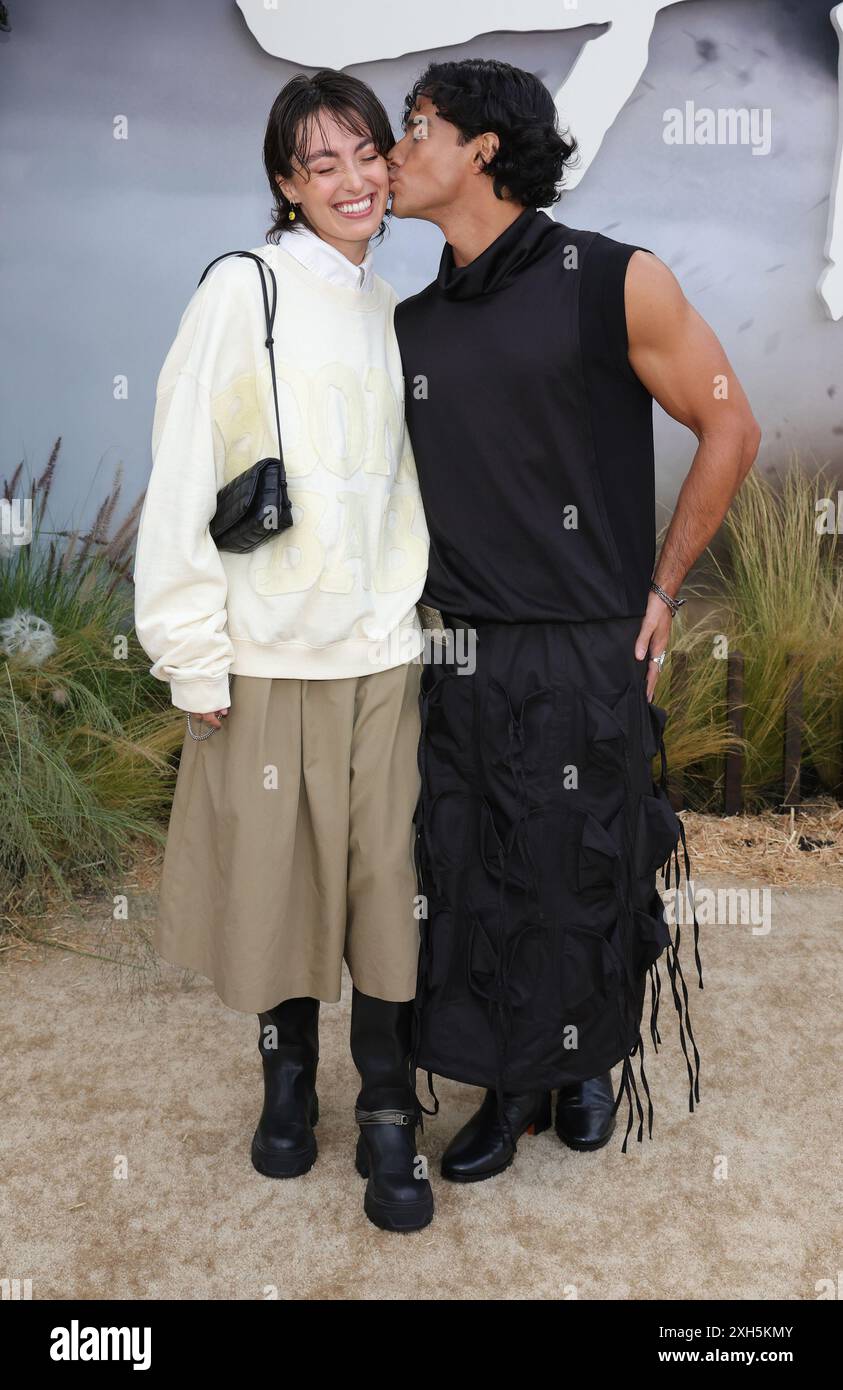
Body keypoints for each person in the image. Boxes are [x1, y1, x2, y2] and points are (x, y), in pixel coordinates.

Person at [387, 58, 761, 1178]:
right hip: (461, 642)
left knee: (585, 863)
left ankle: (584, 1063)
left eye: (416, 129)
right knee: (475, 867)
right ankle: (507, 1086)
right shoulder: (411, 323)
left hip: (584, 640)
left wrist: (659, 589)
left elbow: (728, 424)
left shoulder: (612, 280)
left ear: (485, 148)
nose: (395, 153)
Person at [132, 70, 433, 1232]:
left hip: (384, 655)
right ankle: (290, 1086)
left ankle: (392, 1109)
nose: (356, 180)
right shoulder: (240, 290)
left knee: (386, 887)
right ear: (284, 184)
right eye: (324, 163)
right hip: (267, 654)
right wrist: (192, 655)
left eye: (368, 154)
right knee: (278, 886)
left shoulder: (392, 303)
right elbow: (182, 472)